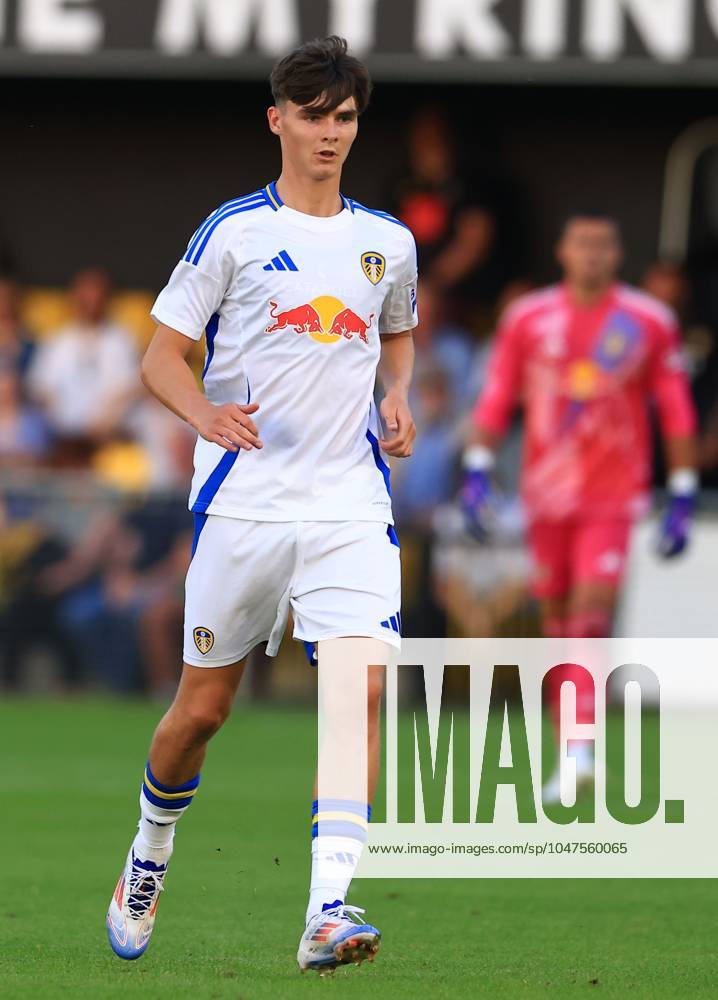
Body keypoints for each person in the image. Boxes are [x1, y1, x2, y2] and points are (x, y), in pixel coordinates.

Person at [105, 37, 417, 974]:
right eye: (315, 116)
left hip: (349, 506)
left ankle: (327, 910)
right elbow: (161, 355)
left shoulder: (386, 242)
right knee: (202, 711)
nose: (331, 134)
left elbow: (397, 330)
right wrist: (207, 413)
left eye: (346, 117)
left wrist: (396, 396)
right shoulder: (233, 232)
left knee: (361, 687)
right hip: (243, 509)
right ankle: (149, 853)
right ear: (278, 119)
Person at [461, 212, 698, 800]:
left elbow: (674, 406)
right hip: (545, 495)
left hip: (614, 494)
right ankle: (571, 747)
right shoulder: (527, 318)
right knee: (558, 626)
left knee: (591, 616)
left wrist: (685, 488)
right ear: (563, 250)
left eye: (604, 243)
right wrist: (477, 469)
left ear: (617, 253)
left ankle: (579, 754)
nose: (592, 253)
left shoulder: (647, 321)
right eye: (582, 242)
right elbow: (497, 396)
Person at [28, 268, 139, 465]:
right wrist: (61, 422)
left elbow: (131, 389)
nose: (91, 302)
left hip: (107, 437)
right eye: (85, 296)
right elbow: (41, 388)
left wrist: (101, 424)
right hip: (62, 438)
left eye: (97, 295)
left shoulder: (122, 341)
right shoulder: (58, 339)